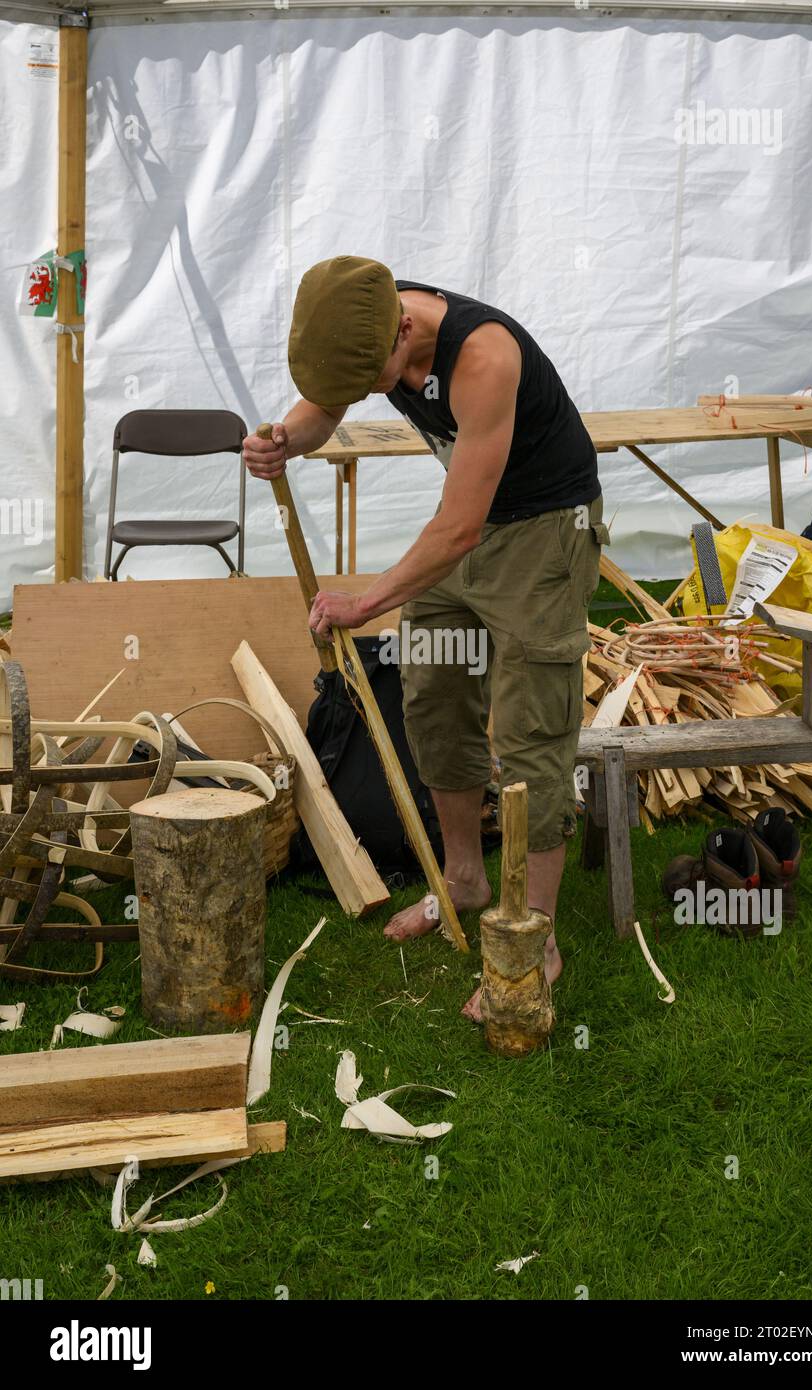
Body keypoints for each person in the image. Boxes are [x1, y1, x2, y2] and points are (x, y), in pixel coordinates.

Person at [243, 256, 607, 1019]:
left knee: (534, 724)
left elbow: (461, 527)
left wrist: (365, 602)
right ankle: (466, 879)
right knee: (434, 691)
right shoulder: (362, 318)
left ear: (405, 329)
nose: (374, 390)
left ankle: (535, 938)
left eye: (377, 375)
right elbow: (324, 407)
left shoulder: (484, 356)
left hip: (541, 533)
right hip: (464, 533)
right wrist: (287, 441)